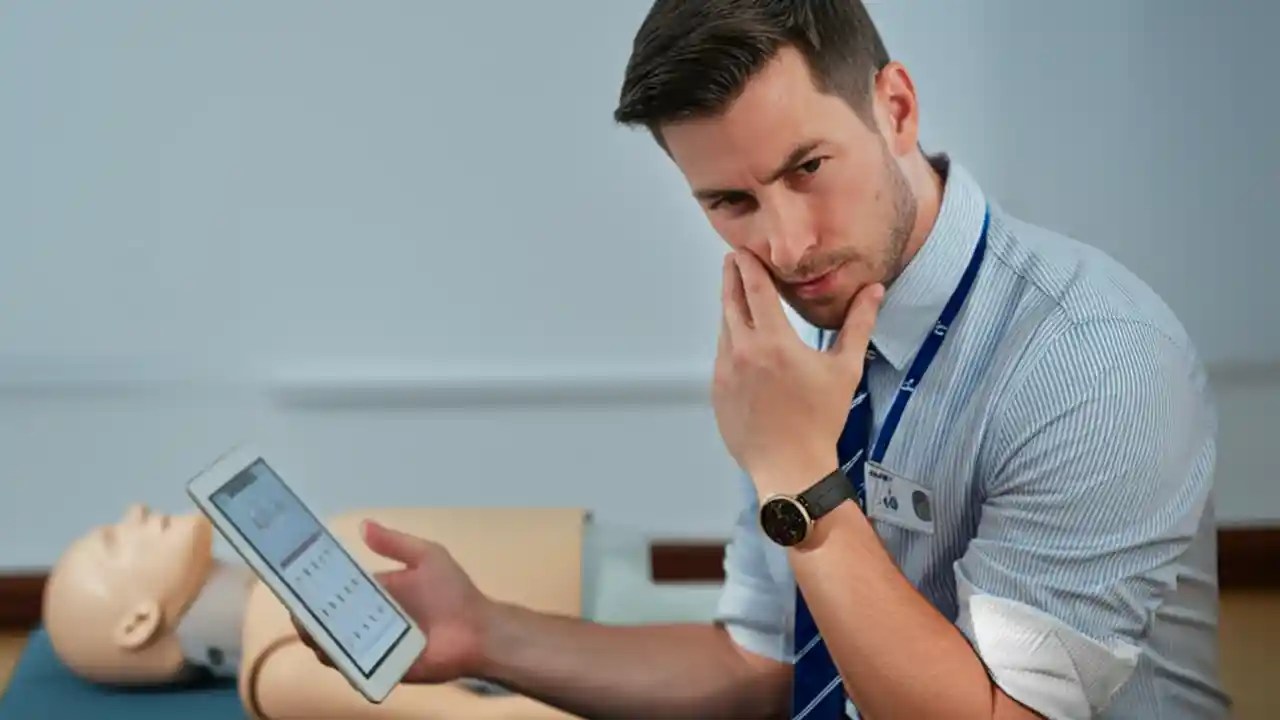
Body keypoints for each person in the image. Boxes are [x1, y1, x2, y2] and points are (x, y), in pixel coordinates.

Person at [299, 1, 1230, 718]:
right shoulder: (817, 332)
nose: (787, 247)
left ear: (896, 108)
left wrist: (799, 476)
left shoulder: (1094, 359)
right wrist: (485, 634)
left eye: (806, 169)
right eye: (730, 203)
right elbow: (761, 664)